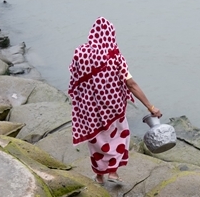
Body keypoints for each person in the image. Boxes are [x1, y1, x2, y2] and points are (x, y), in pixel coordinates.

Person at [68, 17, 162, 184]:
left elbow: (74, 79)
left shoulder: (80, 53)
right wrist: (151, 107)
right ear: (111, 35)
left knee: (96, 142)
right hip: (113, 108)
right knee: (119, 137)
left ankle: (99, 176)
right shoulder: (115, 56)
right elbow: (131, 84)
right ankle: (113, 173)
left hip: (89, 108)